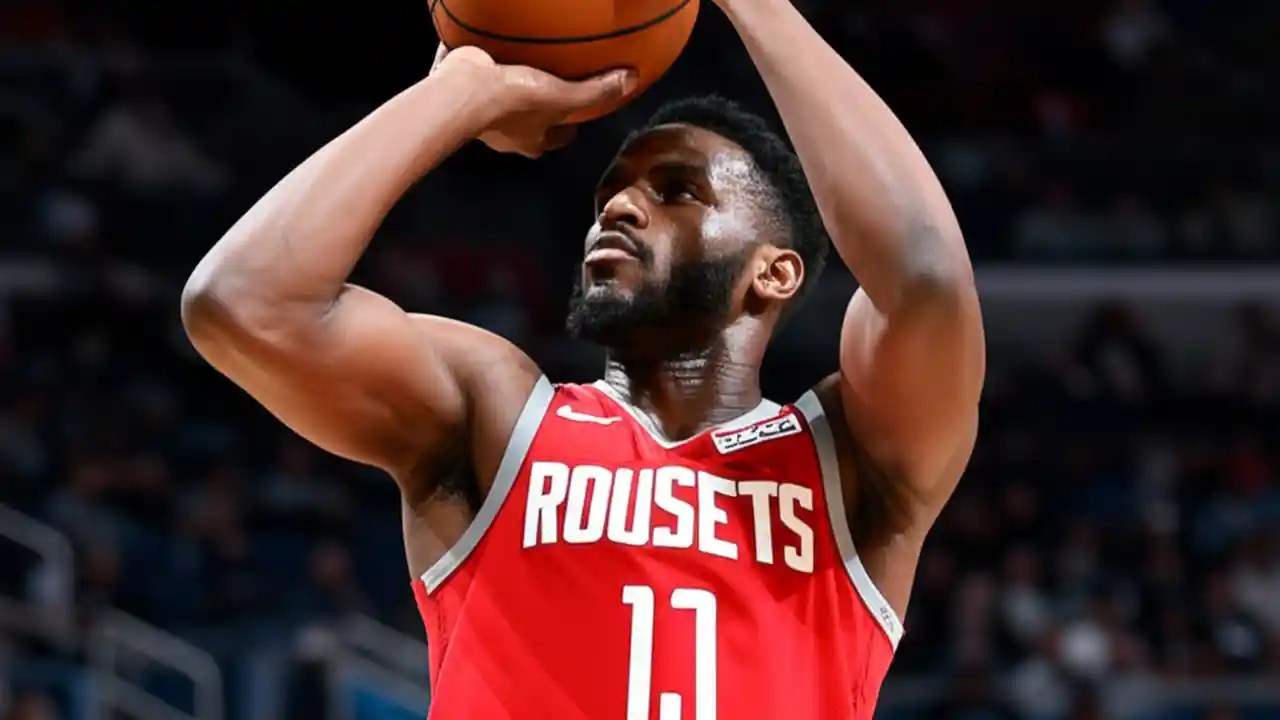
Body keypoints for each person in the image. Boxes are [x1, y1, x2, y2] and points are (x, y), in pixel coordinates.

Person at [180, 0, 984, 716]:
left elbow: (925, 273)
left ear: (773, 272)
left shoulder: (851, 457)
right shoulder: (497, 417)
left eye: (678, 191)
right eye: (610, 194)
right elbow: (243, 303)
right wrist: (463, 89)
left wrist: (758, 6)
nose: (622, 206)